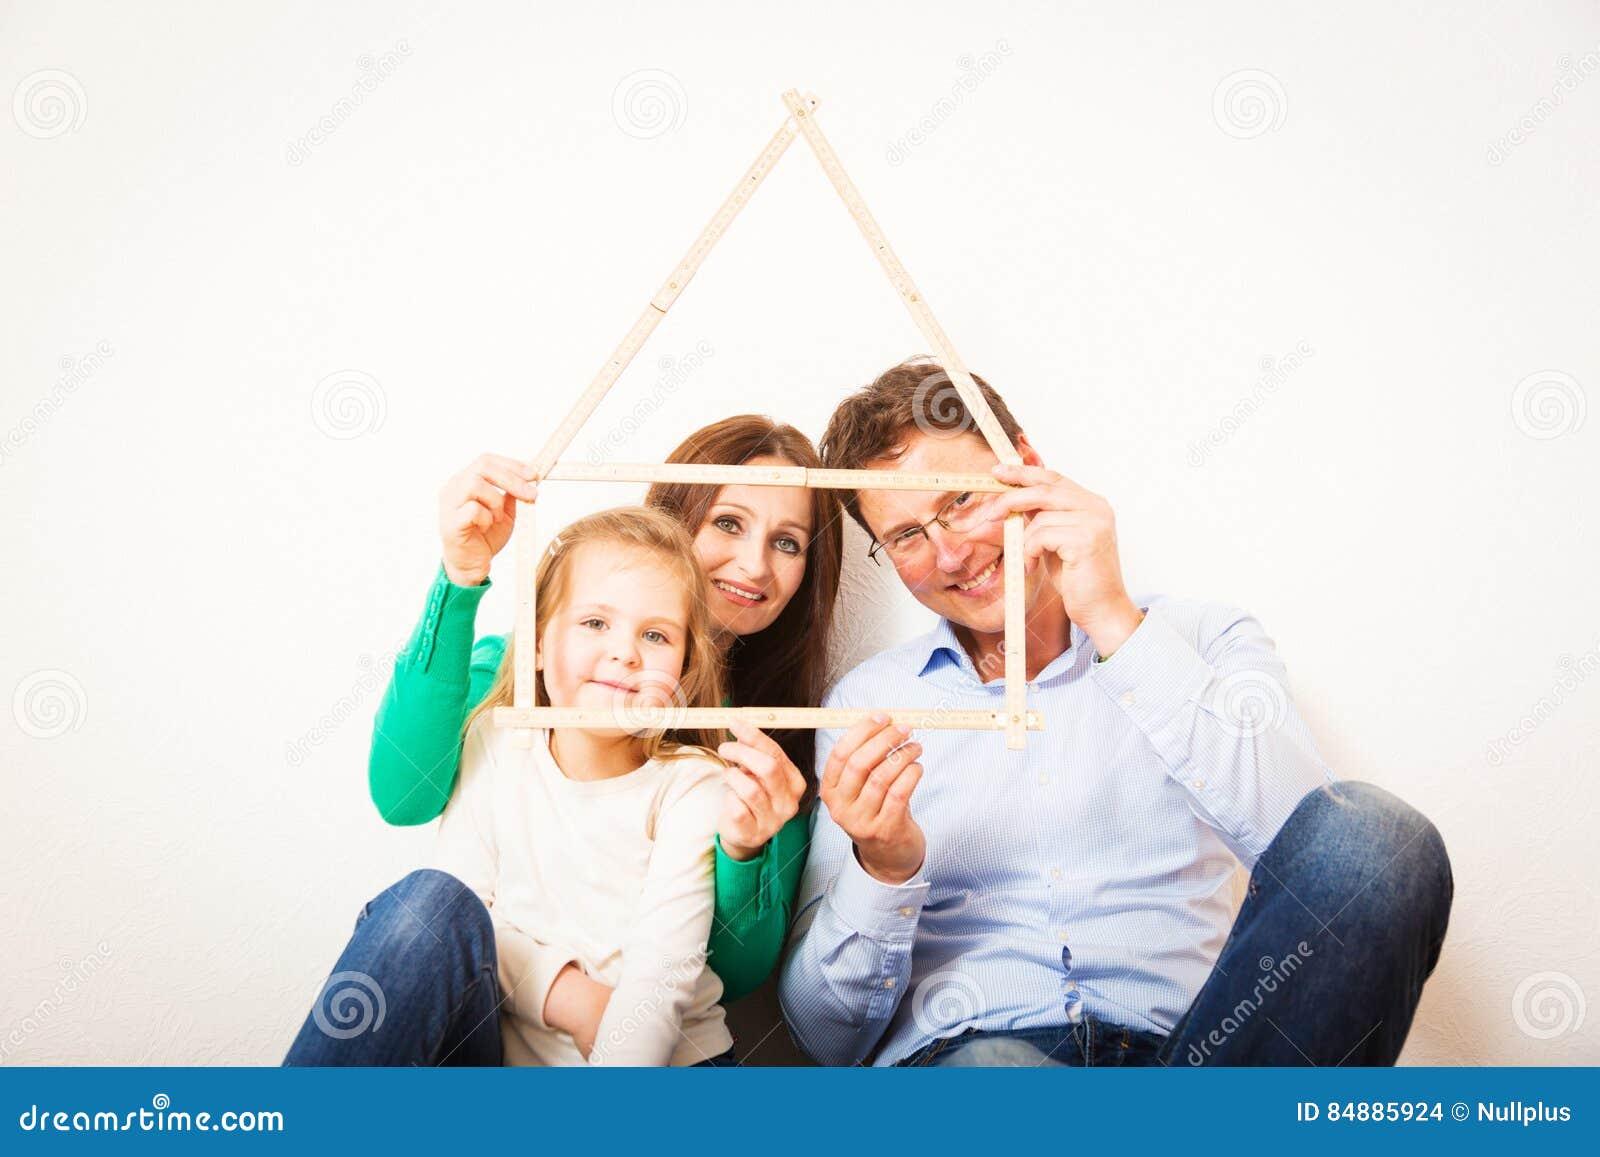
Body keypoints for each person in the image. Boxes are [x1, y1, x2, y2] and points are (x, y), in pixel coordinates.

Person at [778, 359, 1454, 1066]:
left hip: (1199, 1063)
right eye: (908, 536)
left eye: (958, 501)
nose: (949, 551)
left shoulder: (1206, 639)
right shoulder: (866, 706)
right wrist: (884, 866)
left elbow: (1315, 854)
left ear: (1027, 465)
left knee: (1381, 839)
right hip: (979, 1067)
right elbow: (823, 1037)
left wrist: (1112, 620)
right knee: (997, 1070)